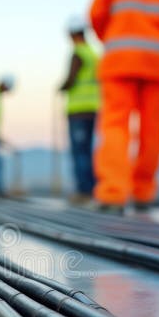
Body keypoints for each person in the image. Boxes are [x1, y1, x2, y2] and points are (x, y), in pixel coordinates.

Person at [90, 0, 159, 214]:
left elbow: (97, 14)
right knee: (152, 129)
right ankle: (143, 191)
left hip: (120, 57)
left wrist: (114, 36)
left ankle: (113, 192)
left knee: (115, 125)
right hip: (157, 61)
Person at [59, 16, 101, 205]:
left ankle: (84, 191)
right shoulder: (93, 53)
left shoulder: (78, 53)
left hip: (78, 110)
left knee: (79, 152)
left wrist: (61, 87)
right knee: (88, 151)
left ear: (72, 34)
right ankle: (92, 188)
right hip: (93, 108)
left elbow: (71, 79)